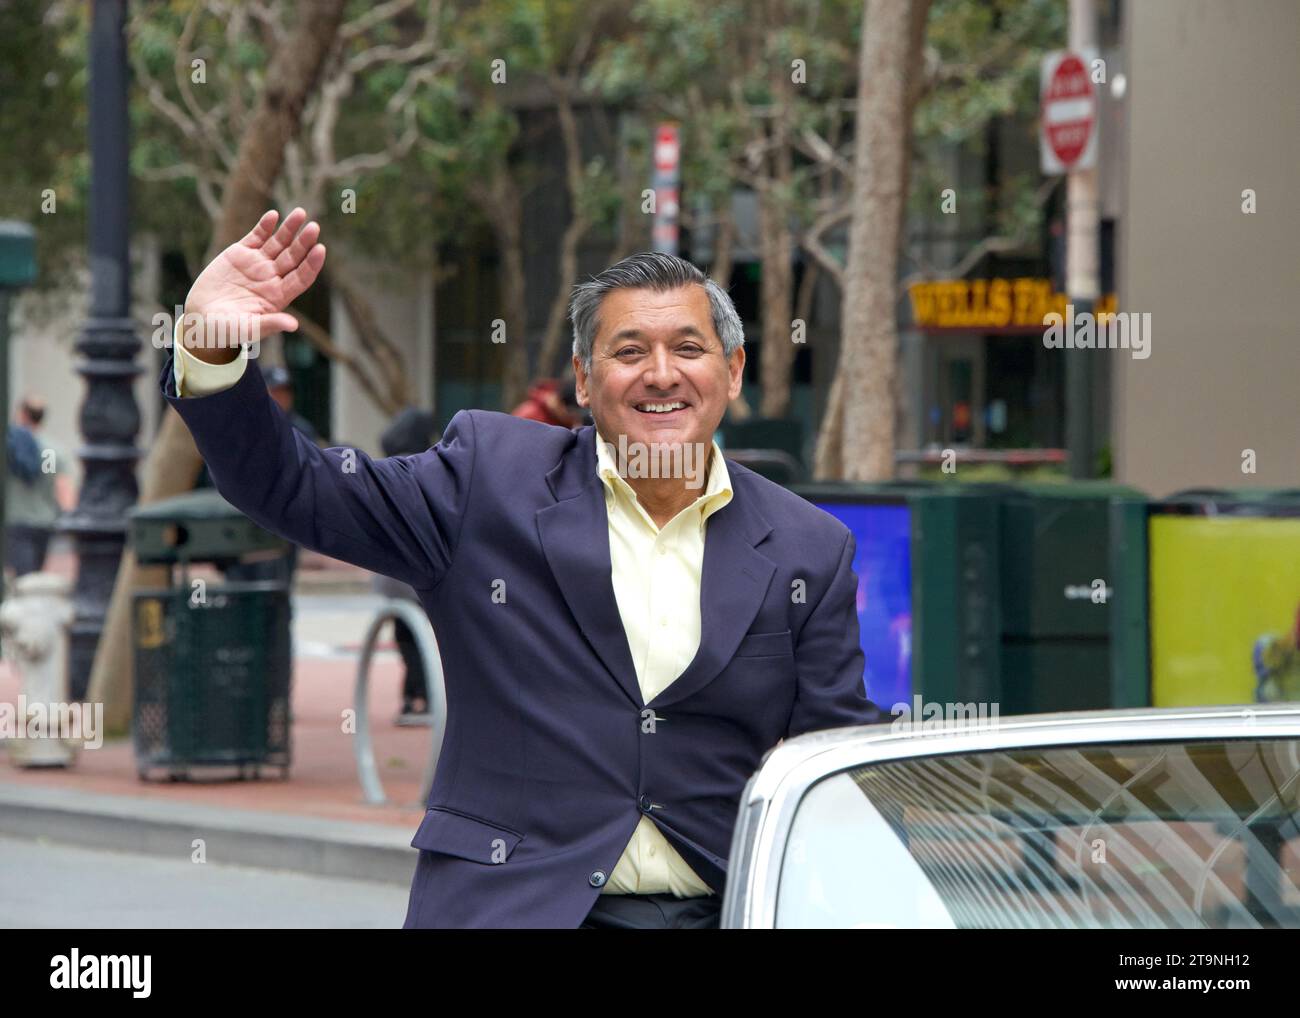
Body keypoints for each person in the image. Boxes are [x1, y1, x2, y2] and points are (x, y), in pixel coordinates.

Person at [161, 207, 885, 929]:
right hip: (516, 905)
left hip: (718, 912)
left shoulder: (807, 547)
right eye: (629, 351)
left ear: (731, 373)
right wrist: (211, 353)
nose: (661, 375)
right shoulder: (487, 479)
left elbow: (837, 772)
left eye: (688, 349)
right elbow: (294, 487)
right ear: (582, 378)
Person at [374, 407, 439, 725]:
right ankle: (422, 695)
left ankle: (413, 696)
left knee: (407, 634)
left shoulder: (387, 468)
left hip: (393, 569)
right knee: (421, 636)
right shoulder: (425, 469)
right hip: (416, 567)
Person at [4, 395, 75, 577]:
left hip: (16, 519)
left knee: (23, 576)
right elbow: (60, 486)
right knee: (34, 572)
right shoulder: (50, 450)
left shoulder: (10, 447)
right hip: (44, 522)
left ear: (22, 414)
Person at [510, 377, 583, 428]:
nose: (574, 419)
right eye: (572, 415)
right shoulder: (530, 415)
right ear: (562, 405)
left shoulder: (564, 422)